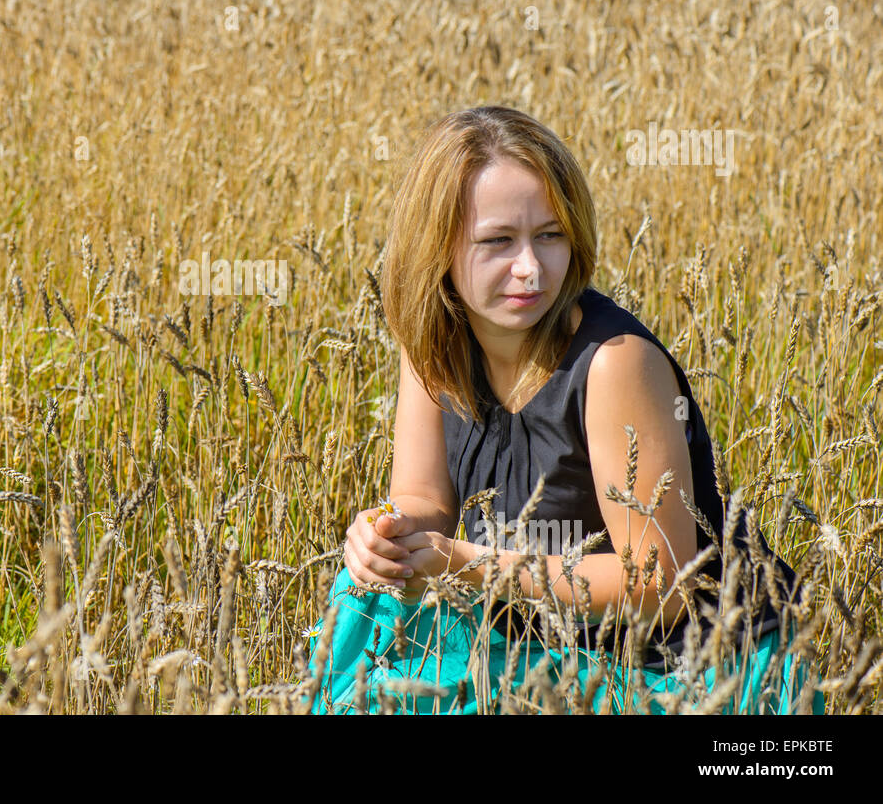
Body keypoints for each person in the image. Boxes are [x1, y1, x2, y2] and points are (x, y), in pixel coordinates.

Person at [303, 106, 823, 714]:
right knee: (366, 598)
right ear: (437, 247)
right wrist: (388, 535)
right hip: (534, 637)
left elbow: (660, 583)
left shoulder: (613, 363)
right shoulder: (431, 342)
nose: (530, 268)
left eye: (549, 235)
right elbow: (427, 501)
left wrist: (472, 566)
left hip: (682, 667)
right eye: (498, 241)